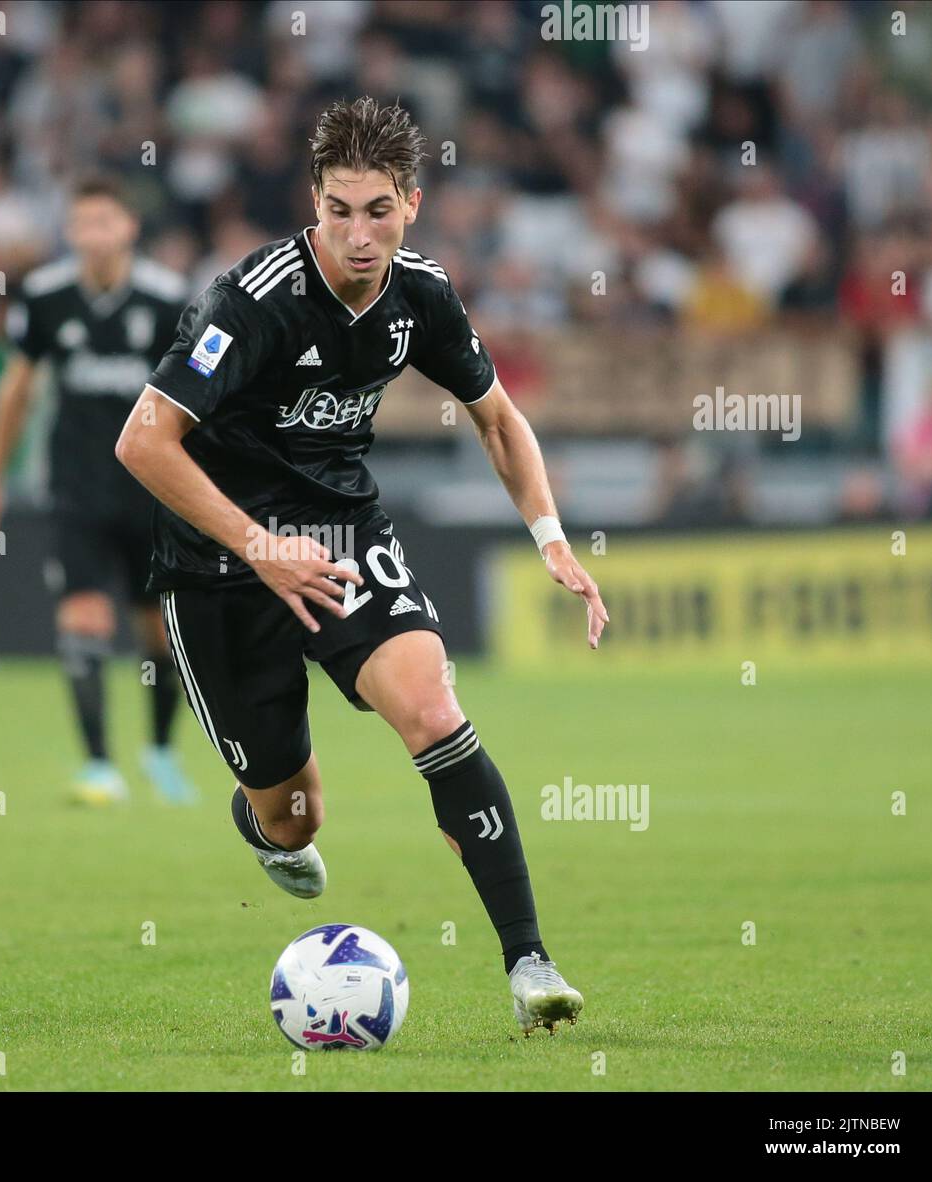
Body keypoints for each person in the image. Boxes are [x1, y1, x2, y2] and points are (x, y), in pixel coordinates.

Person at [115, 99, 609, 1035]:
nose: (357, 234)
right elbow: (143, 442)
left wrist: (549, 536)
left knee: (431, 706)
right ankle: (263, 822)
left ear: (412, 204)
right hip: (220, 560)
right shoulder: (251, 301)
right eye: (338, 210)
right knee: (296, 817)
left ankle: (530, 963)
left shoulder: (422, 294)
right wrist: (258, 548)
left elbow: (498, 418)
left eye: (378, 210)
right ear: (314, 202)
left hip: (339, 537)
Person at [0, 176, 199, 805]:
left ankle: (160, 752)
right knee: (83, 618)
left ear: (129, 228)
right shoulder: (45, 297)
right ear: (70, 232)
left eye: (105, 222)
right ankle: (99, 765)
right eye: (82, 223)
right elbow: (15, 389)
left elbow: (197, 403)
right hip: (74, 489)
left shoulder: (168, 298)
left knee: (158, 635)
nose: (93, 235)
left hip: (152, 494)